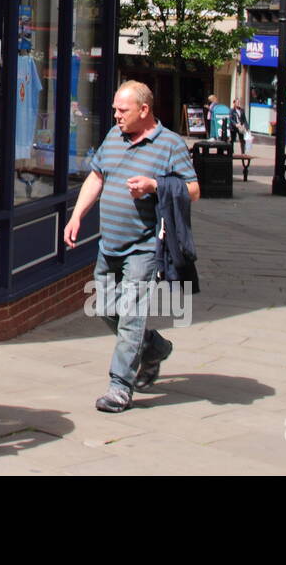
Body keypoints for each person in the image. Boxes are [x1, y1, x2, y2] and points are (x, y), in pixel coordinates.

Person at [63, 81, 200, 413]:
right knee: (106, 308)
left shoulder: (170, 144)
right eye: (114, 108)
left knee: (132, 315)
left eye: (122, 110)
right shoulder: (114, 136)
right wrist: (77, 215)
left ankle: (119, 386)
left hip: (144, 247)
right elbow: (97, 176)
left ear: (144, 110)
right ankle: (153, 347)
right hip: (108, 243)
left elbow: (193, 189)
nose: (115, 115)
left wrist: (155, 185)